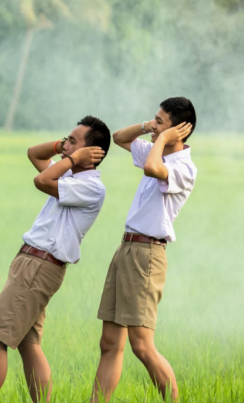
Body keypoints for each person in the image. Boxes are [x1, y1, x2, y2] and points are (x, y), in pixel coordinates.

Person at [0, 116, 111, 403]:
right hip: (32, 263)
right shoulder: (70, 175)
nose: (66, 145)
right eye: (67, 139)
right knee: (29, 344)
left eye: (74, 141)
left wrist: (72, 159)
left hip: (40, 266)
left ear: (92, 153)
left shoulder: (90, 187)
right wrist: (63, 147)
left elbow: (41, 180)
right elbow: (33, 154)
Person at [90, 97, 197, 403]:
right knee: (109, 343)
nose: (153, 126)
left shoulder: (183, 167)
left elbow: (152, 168)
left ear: (178, 131)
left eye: (159, 121)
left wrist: (162, 138)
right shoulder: (156, 147)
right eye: (154, 120)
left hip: (147, 255)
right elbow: (119, 138)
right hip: (127, 249)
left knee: (142, 345)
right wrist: (150, 128)